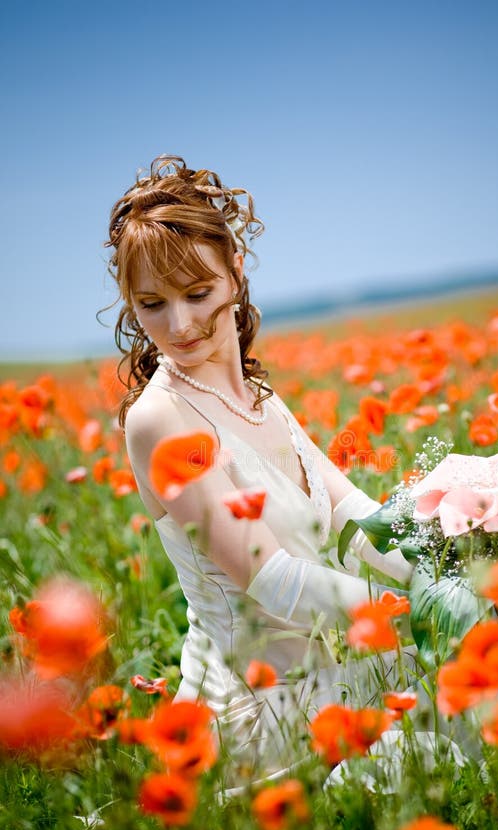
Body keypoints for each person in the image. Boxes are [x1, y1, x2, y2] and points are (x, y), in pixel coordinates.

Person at [106, 155, 416, 780]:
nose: (180, 325)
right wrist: (422, 614)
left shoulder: (260, 399)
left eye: (198, 293)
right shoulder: (159, 419)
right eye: (152, 304)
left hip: (328, 674)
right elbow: (272, 581)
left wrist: (461, 580)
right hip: (257, 715)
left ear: (236, 272)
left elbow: (360, 521)